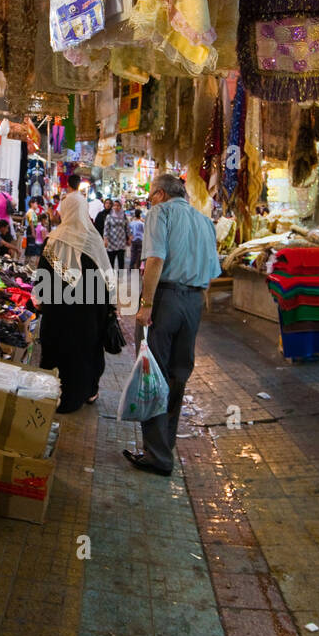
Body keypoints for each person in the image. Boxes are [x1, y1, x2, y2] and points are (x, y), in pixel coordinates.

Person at [124, 173, 221, 477]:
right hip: (193, 303)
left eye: (151, 195)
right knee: (179, 374)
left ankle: (157, 455)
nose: (149, 200)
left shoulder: (159, 213)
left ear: (162, 195)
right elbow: (213, 270)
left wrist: (146, 304)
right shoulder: (205, 221)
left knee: (153, 374)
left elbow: (155, 260)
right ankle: (165, 445)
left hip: (165, 300)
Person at [37, 192, 115, 413]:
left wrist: (43, 302)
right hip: (90, 311)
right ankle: (88, 391)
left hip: (59, 311)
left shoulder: (53, 240)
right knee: (87, 350)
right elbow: (107, 275)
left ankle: (54, 394)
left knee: (57, 348)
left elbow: (43, 276)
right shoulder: (94, 239)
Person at [102, 199, 130, 270]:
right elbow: (106, 229)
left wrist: (129, 237)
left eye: (118, 205)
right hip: (111, 242)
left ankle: (120, 278)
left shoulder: (123, 216)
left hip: (121, 242)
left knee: (121, 262)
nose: (116, 207)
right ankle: (112, 278)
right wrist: (105, 239)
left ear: (120, 206)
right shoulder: (109, 216)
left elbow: (127, 228)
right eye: (114, 205)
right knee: (111, 262)